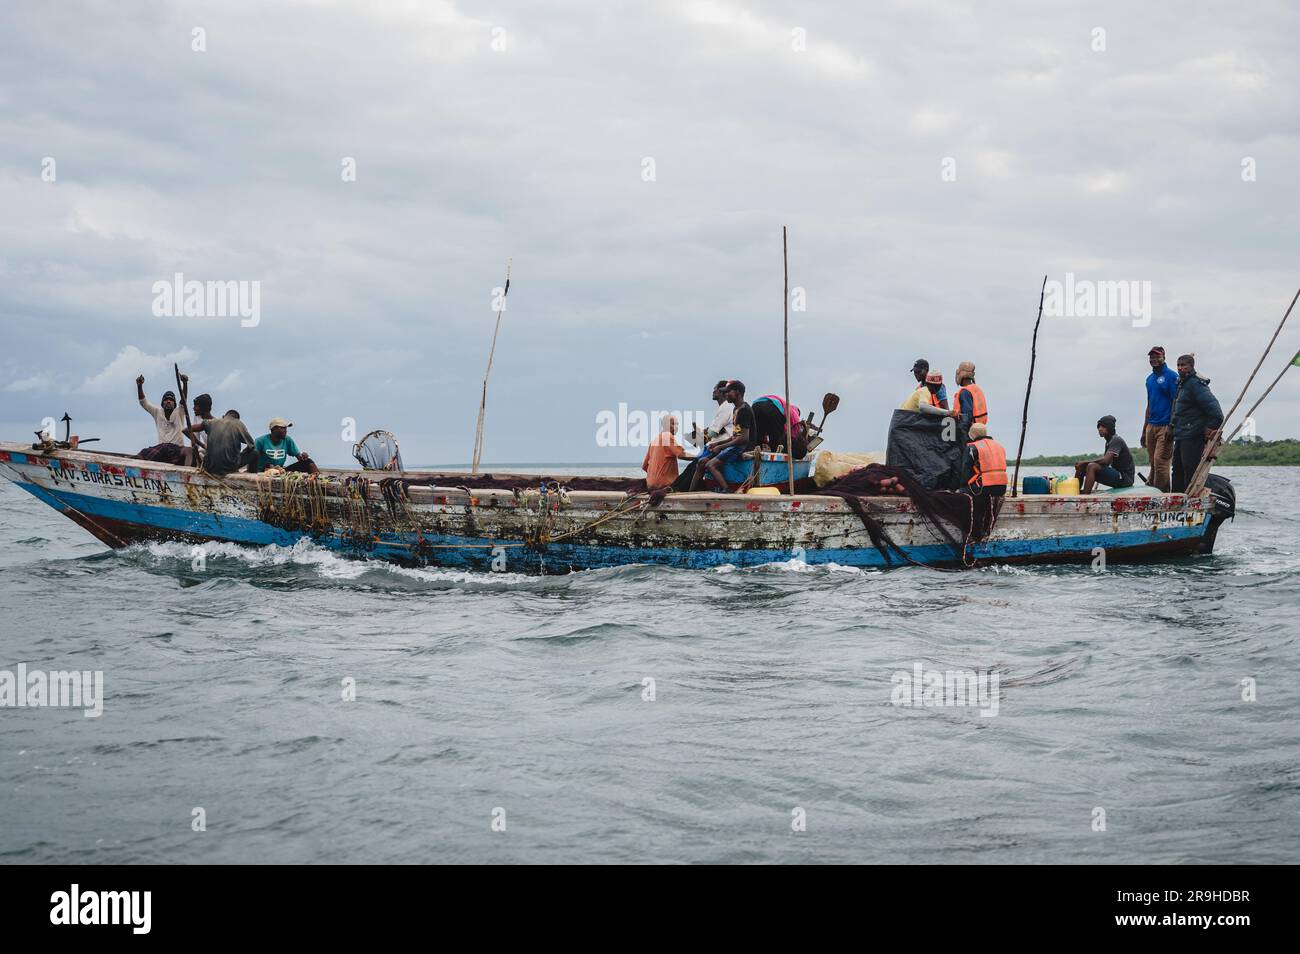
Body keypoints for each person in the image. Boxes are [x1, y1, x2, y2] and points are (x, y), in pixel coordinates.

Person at [1170, 354, 1224, 494]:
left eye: (1184, 365)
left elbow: (1217, 413)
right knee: (1177, 469)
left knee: (1190, 469)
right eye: (1179, 365)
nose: (1180, 368)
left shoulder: (1196, 385)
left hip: (1193, 435)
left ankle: (1189, 499)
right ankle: (1175, 500)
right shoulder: (1182, 384)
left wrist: (1208, 429)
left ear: (1191, 366)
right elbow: (1179, 411)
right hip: (1181, 434)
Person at [691, 380, 755, 492]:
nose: (726, 395)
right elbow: (735, 436)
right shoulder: (736, 409)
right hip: (736, 444)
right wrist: (717, 444)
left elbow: (744, 438)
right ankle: (690, 493)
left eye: (728, 392)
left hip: (743, 447)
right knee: (701, 462)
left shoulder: (744, 410)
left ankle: (726, 489)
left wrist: (721, 447)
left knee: (711, 465)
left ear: (737, 393)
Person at [1141, 346, 1179, 492]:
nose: (1154, 359)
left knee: (1160, 461)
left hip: (1166, 426)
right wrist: (1144, 430)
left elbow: (1176, 402)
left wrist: (1172, 426)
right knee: (1152, 461)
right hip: (1151, 425)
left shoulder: (1171, 376)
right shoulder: (1149, 379)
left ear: (1164, 357)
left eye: (1157, 357)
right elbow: (1149, 404)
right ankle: (1152, 488)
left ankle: (1162, 494)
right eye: (1151, 357)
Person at [1074, 415, 1135, 493]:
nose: (1100, 429)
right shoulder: (1108, 442)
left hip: (1125, 478)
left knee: (1091, 466)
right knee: (1081, 468)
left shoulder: (1116, 440)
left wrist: (1084, 462)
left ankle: (1085, 495)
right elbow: (1107, 463)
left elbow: (1105, 461)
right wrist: (1083, 466)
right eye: (1099, 426)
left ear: (1109, 428)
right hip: (1116, 475)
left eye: (1103, 426)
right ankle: (1075, 493)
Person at [135, 375, 188, 464]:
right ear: (162, 403)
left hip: (177, 450)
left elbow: (183, 400)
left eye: (171, 400)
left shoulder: (179, 411)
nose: (168, 401)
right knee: (143, 453)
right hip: (162, 450)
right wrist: (139, 385)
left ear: (174, 404)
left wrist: (185, 384)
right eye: (166, 400)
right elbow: (143, 402)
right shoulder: (157, 412)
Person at [188, 409, 257, 476]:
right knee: (255, 453)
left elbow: (186, 430)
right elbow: (252, 446)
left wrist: (201, 444)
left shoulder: (211, 422)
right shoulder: (239, 424)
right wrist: (243, 452)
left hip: (209, 467)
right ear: (237, 419)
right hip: (229, 467)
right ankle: (252, 477)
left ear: (224, 416)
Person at [252, 418, 317, 475]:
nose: (285, 430)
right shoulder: (260, 441)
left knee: (308, 462)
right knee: (269, 467)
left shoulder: (287, 440)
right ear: (273, 429)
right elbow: (252, 460)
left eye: (286, 428)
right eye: (282, 428)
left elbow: (299, 457)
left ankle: (320, 482)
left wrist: (303, 457)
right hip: (263, 472)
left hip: (280, 471)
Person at [642, 414, 691, 490]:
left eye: (677, 424)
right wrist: (699, 457)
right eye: (673, 424)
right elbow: (681, 455)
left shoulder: (654, 440)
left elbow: (645, 466)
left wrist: (655, 476)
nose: (676, 427)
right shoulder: (667, 435)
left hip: (650, 484)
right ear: (665, 425)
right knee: (691, 470)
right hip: (664, 485)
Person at [962, 423, 1007, 496]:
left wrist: (962, 487)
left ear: (972, 434)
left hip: (983, 488)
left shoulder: (972, 448)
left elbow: (965, 472)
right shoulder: (999, 446)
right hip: (1002, 488)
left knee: (960, 491)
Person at [953, 361, 988, 433]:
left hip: (969, 432)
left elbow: (967, 416)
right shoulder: (976, 389)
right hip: (980, 430)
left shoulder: (964, 392)